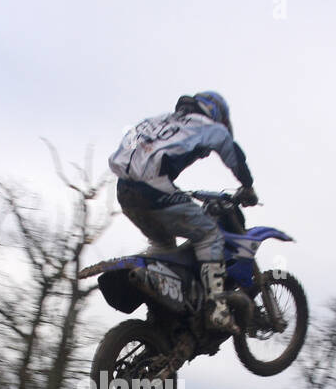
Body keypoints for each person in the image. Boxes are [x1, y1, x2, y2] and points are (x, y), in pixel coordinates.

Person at [109, 91, 258, 333]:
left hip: (124, 190)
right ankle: (217, 309)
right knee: (209, 234)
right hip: (153, 189)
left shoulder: (157, 120)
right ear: (216, 113)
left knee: (164, 245)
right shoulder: (209, 126)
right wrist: (248, 187)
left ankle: (163, 302)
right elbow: (232, 153)